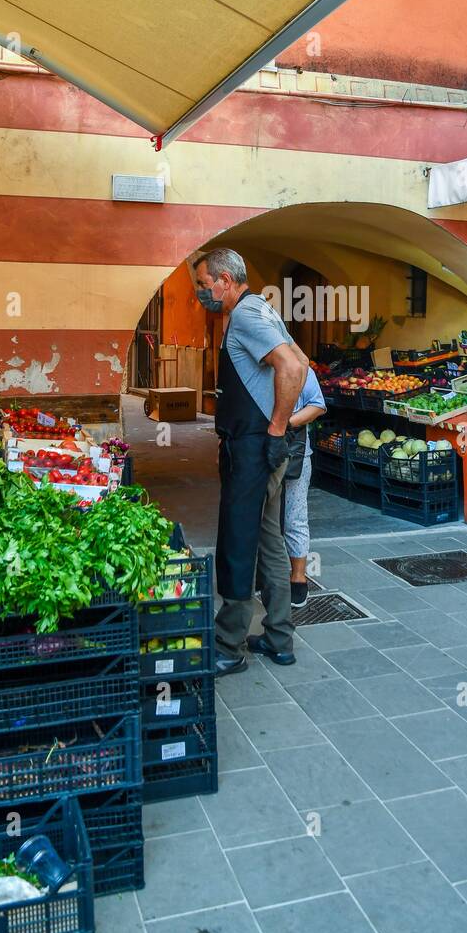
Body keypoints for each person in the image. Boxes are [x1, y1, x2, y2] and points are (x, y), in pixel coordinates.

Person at [193, 248, 307, 675]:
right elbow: (303, 361)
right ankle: (279, 639)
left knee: (237, 543)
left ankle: (228, 646)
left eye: (204, 285)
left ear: (224, 279)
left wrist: (276, 430)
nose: (202, 294)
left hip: (255, 448)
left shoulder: (245, 315)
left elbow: (293, 368)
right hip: (260, 445)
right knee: (268, 540)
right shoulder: (263, 309)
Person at [283, 366, 326, 609]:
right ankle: (266, 572)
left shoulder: (300, 369)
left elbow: (317, 404)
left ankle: (298, 577)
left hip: (296, 453)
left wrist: (284, 423)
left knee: (294, 517)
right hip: (258, 452)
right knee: (260, 517)